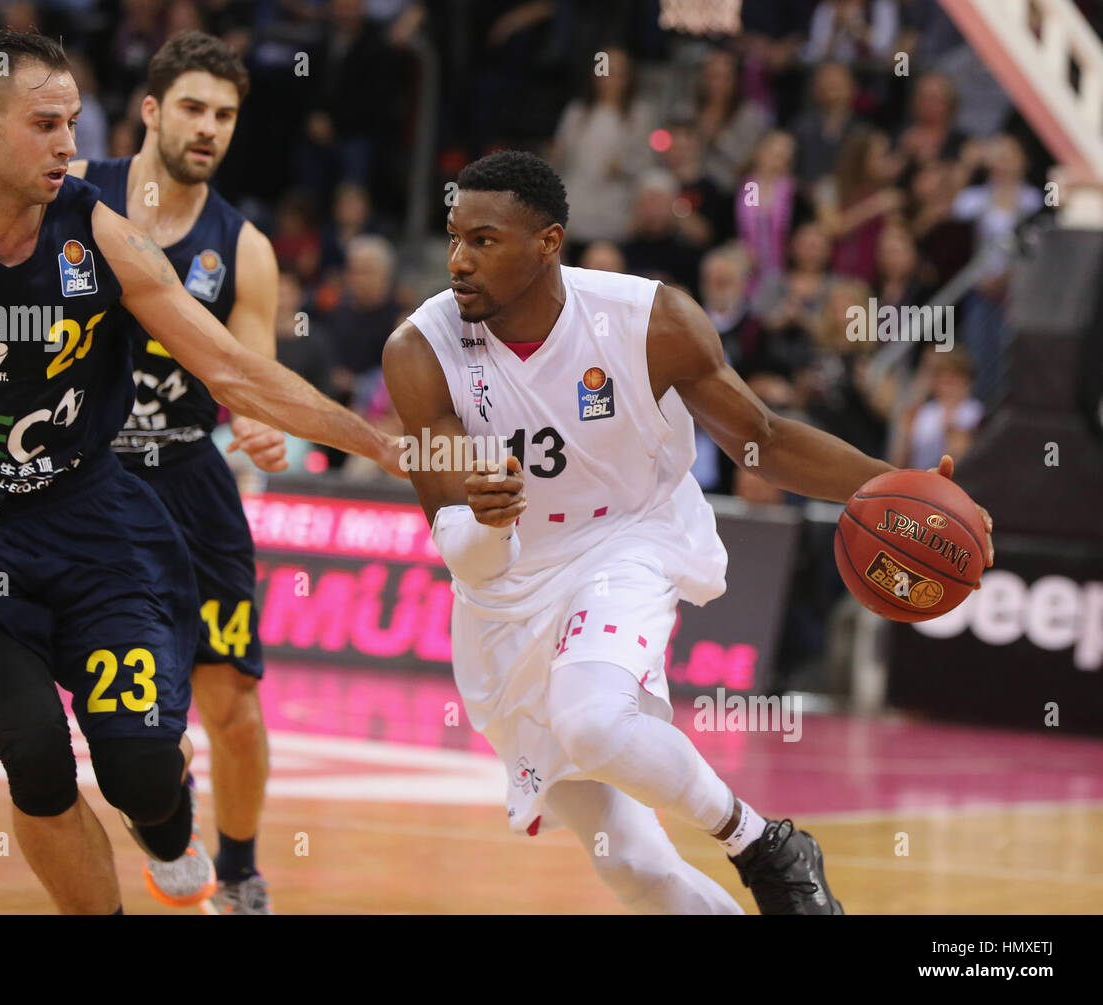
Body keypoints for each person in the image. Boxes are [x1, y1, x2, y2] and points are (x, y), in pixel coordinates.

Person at [0, 28, 400, 915]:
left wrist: (392, 450)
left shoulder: (96, 231)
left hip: (90, 521)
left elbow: (234, 368)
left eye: (74, 123)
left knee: (142, 773)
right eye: (45, 125)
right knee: (35, 746)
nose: (68, 146)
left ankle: (176, 826)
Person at [382, 150, 994, 915]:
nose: (457, 261)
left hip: (629, 536)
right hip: (504, 599)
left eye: (484, 240)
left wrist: (896, 489)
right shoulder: (420, 350)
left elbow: (761, 439)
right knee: (634, 866)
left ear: (548, 243)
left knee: (595, 717)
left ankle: (766, 844)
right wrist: (488, 518)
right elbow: (463, 558)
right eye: (454, 238)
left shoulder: (647, 320)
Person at [71, 30, 282, 915]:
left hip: (192, 484)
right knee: (125, 702)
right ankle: (161, 800)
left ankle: (239, 870)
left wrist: (267, 428)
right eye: (193, 107)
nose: (210, 127)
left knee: (230, 705)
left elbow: (256, 375)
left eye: (226, 114)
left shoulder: (247, 248)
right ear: (152, 109)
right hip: (83, 481)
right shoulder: (74, 195)